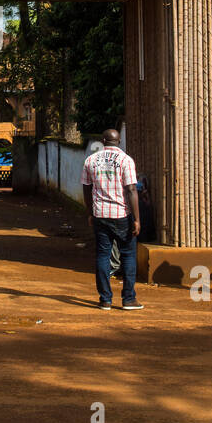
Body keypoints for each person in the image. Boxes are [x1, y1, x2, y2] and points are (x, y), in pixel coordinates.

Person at [81, 129, 142, 311]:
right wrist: (137, 218)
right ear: (119, 141)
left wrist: (90, 212)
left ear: (103, 140)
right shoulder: (126, 160)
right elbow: (131, 189)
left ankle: (105, 299)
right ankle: (128, 299)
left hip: (100, 214)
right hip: (121, 215)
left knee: (103, 255)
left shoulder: (90, 161)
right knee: (128, 255)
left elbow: (86, 188)